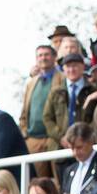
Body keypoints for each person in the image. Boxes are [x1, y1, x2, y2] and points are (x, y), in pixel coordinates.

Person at [19, 45, 65, 176]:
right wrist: (24, 132)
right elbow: (24, 111)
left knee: (58, 178)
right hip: (33, 139)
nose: (43, 58)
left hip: (55, 138)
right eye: (40, 55)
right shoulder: (31, 83)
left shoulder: (62, 78)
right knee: (38, 182)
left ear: (54, 57)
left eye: (46, 54)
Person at [51, 53, 95, 132]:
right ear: (63, 69)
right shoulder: (55, 92)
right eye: (68, 66)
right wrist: (61, 138)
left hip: (85, 139)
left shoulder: (93, 90)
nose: (71, 70)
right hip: (61, 141)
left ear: (83, 67)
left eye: (75, 66)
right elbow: (47, 118)